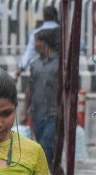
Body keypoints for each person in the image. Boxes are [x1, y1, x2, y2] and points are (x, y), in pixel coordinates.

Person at [21, 28, 61, 161]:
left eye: (36, 41)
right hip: (37, 115)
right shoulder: (35, 64)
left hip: (53, 115)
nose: (34, 45)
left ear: (44, 43)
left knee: (45, 147)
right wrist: (24, 111)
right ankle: (55, 174)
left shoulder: (59, 64)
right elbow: (29, 88)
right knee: (42, 148)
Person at [15, 6, 59, 78]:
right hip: (59, 71)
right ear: (55, 16)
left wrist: (18, 72)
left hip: (42, 71)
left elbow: (29, 53)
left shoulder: (36, 33)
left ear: (44, 17)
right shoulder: (63, 33)